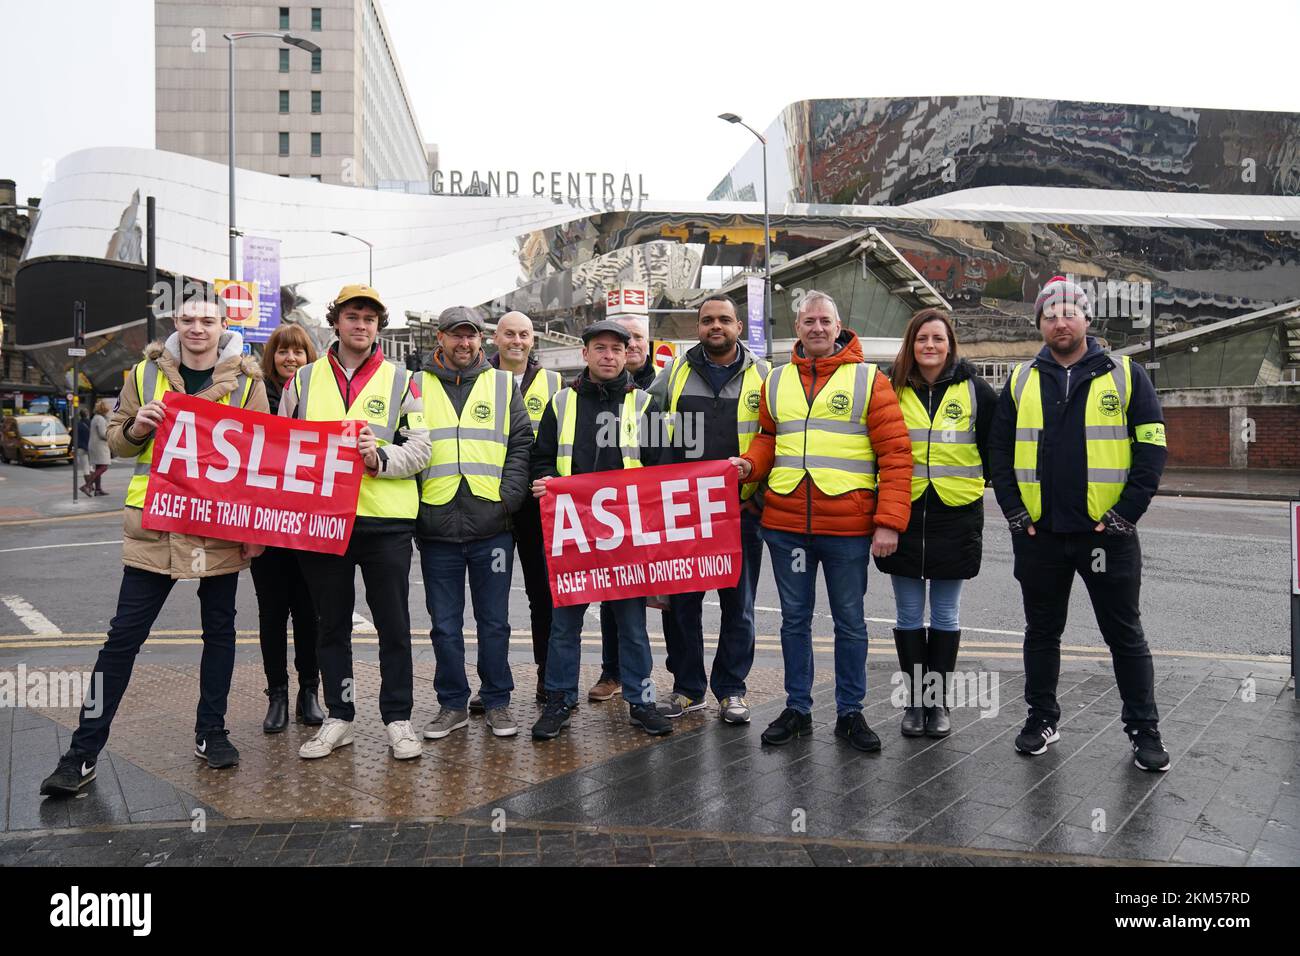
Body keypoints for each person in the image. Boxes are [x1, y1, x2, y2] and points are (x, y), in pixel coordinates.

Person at [40, 296, 267, 796]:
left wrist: (254, 532)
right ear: (175, 324)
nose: (196, 328)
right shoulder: (143, 375)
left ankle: (212, 733)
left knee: (220, 634)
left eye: (207, 320)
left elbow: (260, 462)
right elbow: (118, 441)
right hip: (155, 525)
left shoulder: (249, 383)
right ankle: (82, 753)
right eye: (187, 319)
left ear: (223, 326)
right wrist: (138, 426)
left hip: (217, 525)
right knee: (122, 639)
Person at [989, 276, 1171, 771]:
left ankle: (1144, 730)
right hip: (1039, 536)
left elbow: (1151, 449)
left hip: (1106, 537)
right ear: (1040, 324)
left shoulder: (1128, 375)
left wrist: (1123, 516)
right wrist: (1014, 512)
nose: (1060, 321)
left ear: (1087, 319)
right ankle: (1041, 718)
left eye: (1069, 312)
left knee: (1125, 635)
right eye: (1049, 315)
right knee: (1041, 633)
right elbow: (998, 453)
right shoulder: (1021, 379)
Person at [737, 290, 912, 753]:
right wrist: (750, 467)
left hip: (848, 529)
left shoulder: (869, 380)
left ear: (838, 327)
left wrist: (889, 521)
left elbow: (896, 455)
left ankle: (850, 713)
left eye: (824, 321)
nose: (816, 328)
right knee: (794, 621)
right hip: (786, 525)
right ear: (797, 328)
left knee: (850, 622)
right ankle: (798, 708)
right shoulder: (774, 381)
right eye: (808, 320)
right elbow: (767, 439)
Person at [279, 284, 432, 761]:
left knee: (394, 626)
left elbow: (423, 448)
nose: (361, 324)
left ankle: (398, 718)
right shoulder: (301, 381)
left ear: (378, 327)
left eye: (369, 317)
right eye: (352, 316)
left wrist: (380, 457)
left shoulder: (403, 380)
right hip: (323, 523)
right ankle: (339, 717)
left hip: (385, 522)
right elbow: (282, 451)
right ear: (336, 322)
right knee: (331, 627)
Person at [529, 320, 671, 739]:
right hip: (572, 530)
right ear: (585, 354)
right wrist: (543, 480)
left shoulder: (645, 405)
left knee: (631, 624)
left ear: (627, 354)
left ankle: (642, 703)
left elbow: (661, 467)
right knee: (565, 624)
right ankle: (559, 701)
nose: (608, 355)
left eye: (616, 349)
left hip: (625, 534)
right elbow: (542, 457)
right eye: (600, 348)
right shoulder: (560, 403)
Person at [647, 293, 769, 723]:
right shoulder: (675, 371)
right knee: (682, 604)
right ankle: (687, 688)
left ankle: (731, 690)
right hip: (685, 512)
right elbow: (646, 422)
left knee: (739, 605)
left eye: (724, 320)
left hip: (740, 512)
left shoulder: (765, 375)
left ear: (738, 327)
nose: (715, 327)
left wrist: (759, 497)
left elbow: (774, 438)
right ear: (697, 328)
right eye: (706, 321)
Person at [876, 309, 995, 737]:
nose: (930, 346)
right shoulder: (889, 389)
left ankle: (938, 704)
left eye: (938, 339)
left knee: (945, 613)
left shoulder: (977, 389)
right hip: (902, 515)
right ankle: (914, 703)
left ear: (950, 344)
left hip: (955, 516)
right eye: (922, 338)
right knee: (908, 613)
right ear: (911, 343)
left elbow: (994, 448)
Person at [416, 307, 532, 741]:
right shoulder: (416, 385)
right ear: (440, 339)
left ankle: (498, 700)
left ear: (480, 341)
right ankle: (452, 704)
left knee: (494, 622)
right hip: (436, 526)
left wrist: (509, 499)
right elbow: (404, 444)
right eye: (455, 336)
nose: (464, 343)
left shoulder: (502, 385)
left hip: (493, 526)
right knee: (444, 624)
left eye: (471, 336)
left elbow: (521, 441)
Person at [482, 309, 563, 709]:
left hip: (536, 505)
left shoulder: (555, 382)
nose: (517, 341)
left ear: (534, 341)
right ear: (495, 339)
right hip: (490, 501)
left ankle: (549, 679)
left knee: (542, 597)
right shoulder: (479, 380)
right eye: (509, 334)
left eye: (524, 335)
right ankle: (493, 684)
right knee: (490, 604)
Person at [251, 323, 323, 733]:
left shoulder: (317, 393)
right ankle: (276, 693)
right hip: (266, 522)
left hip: (309, 522)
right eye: (283, 352)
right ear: (272, 356)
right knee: (272, 613)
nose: (291, 358)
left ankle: (308, 692)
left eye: (298, 352)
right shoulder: (254, 394)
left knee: (309, 613)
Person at [590, 312, 658, 702]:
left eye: (634, 338)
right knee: (612, 600)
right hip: (603, 516)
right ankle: (612, 673)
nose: (628, 345)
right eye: (620, 339)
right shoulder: (592, 390)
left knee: (645, 606)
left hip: (643, 515)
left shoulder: (660, 389)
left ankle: (647, 686)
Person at [86, 401, 112, 496]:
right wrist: (110, 434)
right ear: (104, 409)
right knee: (104, 467)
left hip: (94, 445)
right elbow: (102, 434)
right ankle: (87, 485)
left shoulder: (95, 418)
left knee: (99, 467)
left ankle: (98, 489)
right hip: (100, 446)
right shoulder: (100, 419)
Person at [75, 408, 91, 490]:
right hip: (91, 448)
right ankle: (90, 486)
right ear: (87, 414)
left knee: (85, 468)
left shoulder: (77, 424)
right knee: (91, 467)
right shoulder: (90, 423)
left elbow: (73, 436)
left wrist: (70, 448)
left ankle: (88, 486)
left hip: (81, 448)